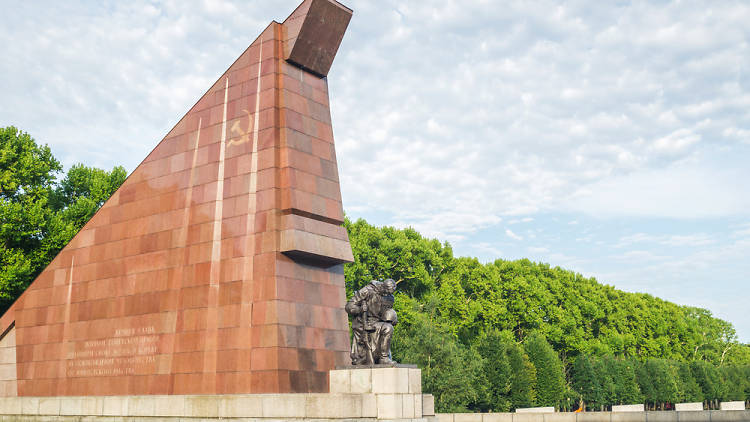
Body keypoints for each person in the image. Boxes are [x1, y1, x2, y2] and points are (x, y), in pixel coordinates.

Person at [345, 278, 398, 365]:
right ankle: (379, 357)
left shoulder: (390, 297)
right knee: (387, 328)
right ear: (383, 286)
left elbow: (385, 312)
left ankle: (383, 357)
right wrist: (360, 309)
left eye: (389, 294)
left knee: (388, 327)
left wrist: (392, 317)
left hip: (377, 323)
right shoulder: (367, 291)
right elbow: (349, 306)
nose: (387, 295)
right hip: (363, 323)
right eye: (386, 292)